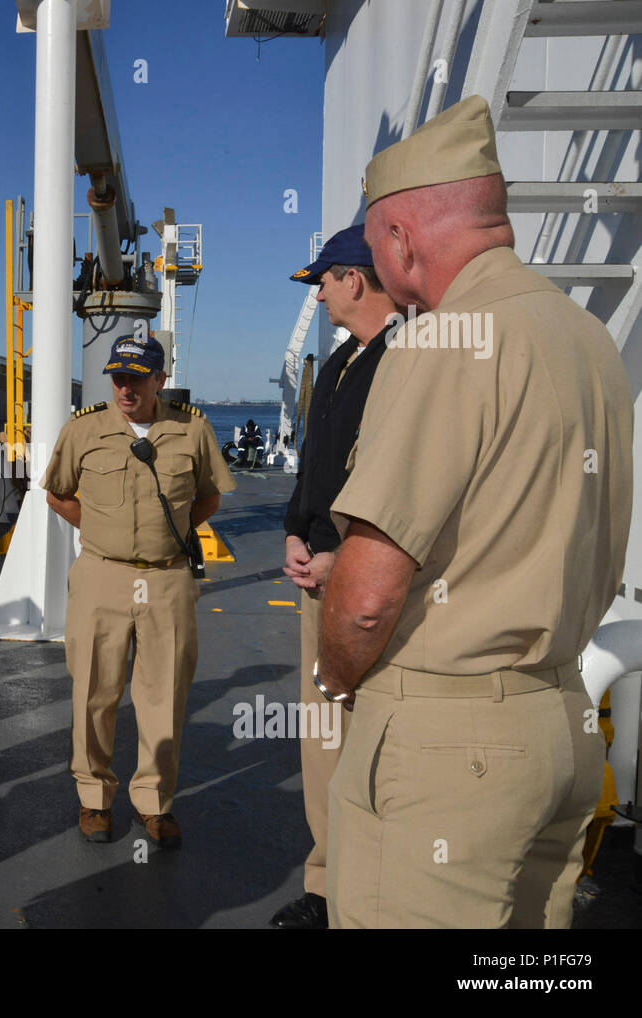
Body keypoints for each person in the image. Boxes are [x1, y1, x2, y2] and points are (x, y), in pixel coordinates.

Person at [317, 96, 631, 928]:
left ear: (402, 238)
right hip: (561, 721)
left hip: (450, 752)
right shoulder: (586, 337)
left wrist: (334, 678)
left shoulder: (440, 343)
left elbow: (368, 595)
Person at [41, 334, 235, 848]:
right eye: (118, 376)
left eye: (137, 377)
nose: (125, 387)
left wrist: (167, 532)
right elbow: (57, 493)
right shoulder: (84, 429)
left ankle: (154, 803)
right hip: (101, 574)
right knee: (92, 691)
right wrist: (99, 531)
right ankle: (94, 799)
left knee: (164, 695)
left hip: (168, 577)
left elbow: (210, 497)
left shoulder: (191, 428)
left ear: (159, 380)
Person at [270, 224, 398, 929]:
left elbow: (396, 482)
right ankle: (325, 889)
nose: (318, 293)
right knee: (322, 743)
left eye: (323, 279)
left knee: (370, 746)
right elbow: (317, 469)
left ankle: (365, 895)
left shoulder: (406, 360)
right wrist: (294, 528)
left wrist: (342, 552)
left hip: (363, 582)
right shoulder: (342, 361)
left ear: (355, 277)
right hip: (316, 583)